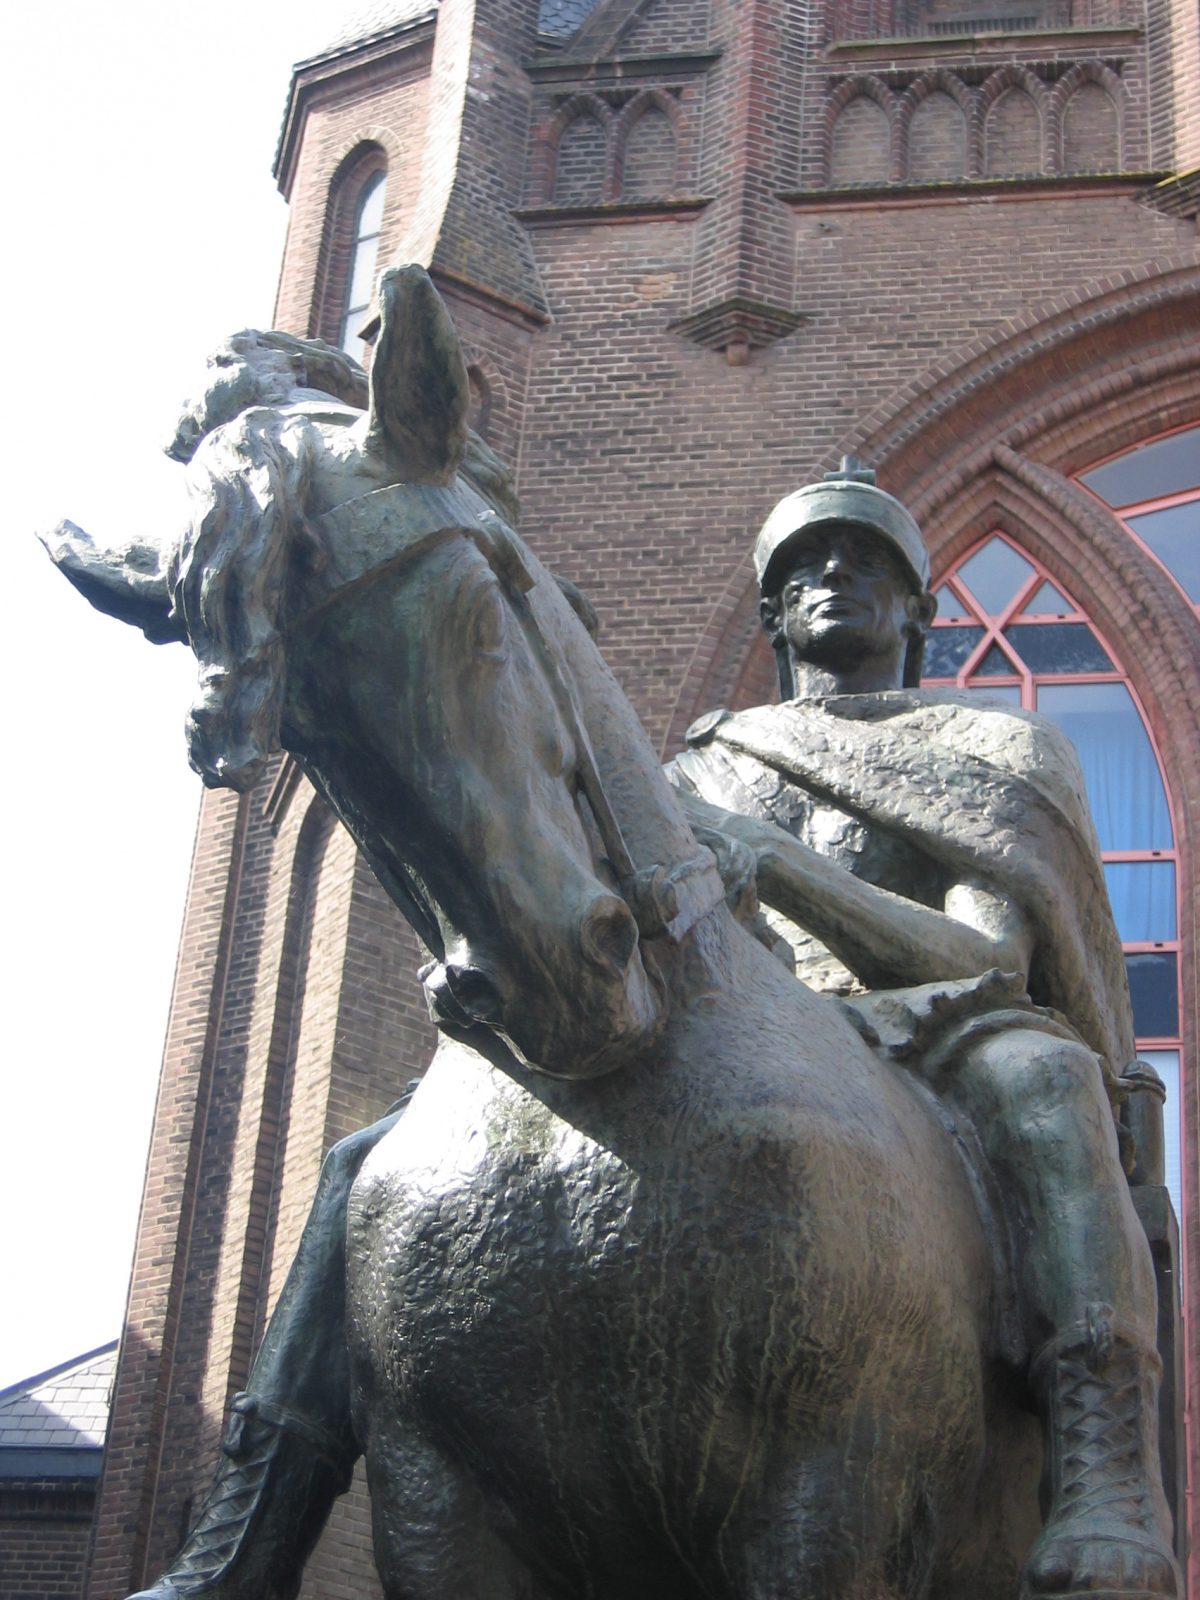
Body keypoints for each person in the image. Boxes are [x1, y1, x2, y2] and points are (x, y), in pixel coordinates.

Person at [670, 462, 1179, 1600]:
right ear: (770, 614)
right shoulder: (701, 763)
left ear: (921, 611)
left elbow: (993, 961)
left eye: (868, 561)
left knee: (1051, 1082)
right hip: (742, 1032)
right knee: (386, 1153)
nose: (833, 574)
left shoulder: (994, 748)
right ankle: (274, 1485)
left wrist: (789, 871)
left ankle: (1104, 1455)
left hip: (936, 1024)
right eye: (804, 565)